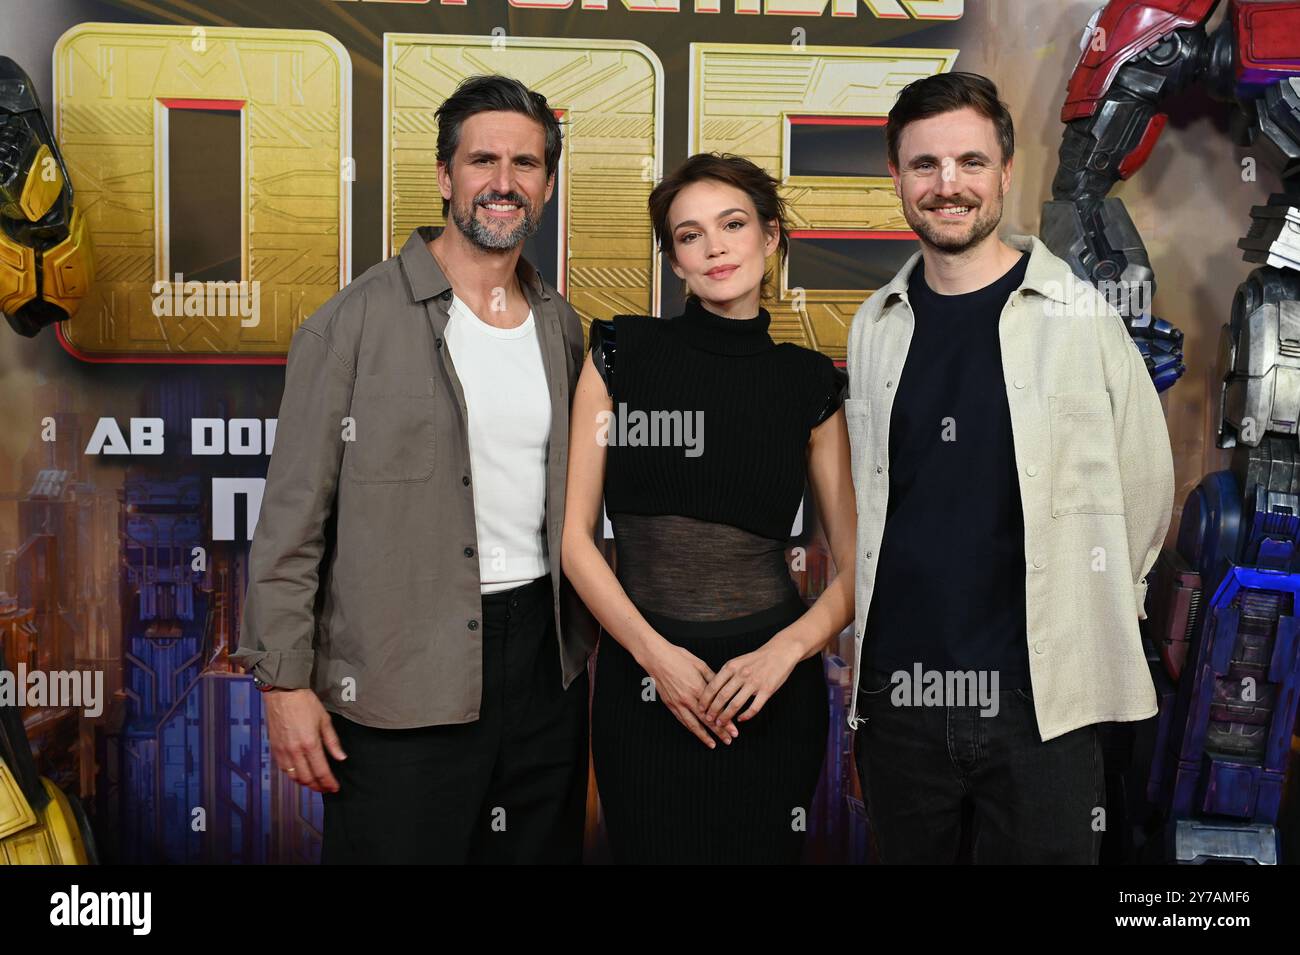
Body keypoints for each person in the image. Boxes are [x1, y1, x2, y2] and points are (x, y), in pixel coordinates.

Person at [232, 74, 597, 864]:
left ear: (547, 183)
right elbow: (292, 519)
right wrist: (284, 686)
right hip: (399, 681)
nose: (504, 183)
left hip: (543, 673)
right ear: (445, 177)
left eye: (526, 164)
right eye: (483, 161)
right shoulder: (350, 324)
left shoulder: (561, 326)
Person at [844, 72, 1175, 863]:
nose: (947, 185)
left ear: (1004, 170)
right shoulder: (873, 325)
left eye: (970, 161)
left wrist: (1092, 610)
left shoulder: (1082, 317)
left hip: (1044, 704)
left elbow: (1145, 484)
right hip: (903, 702)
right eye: (924, 165)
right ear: (896, 176)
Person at [562, 152, 856, 864]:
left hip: (769, 692)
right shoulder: (618, 352)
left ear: (771, 237)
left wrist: (781, 656)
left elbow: (858, 569)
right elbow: (574, 538)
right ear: (675, 260)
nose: (716, 246)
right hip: (643, 678)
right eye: (691, 235)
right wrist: (655, 658)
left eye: (733, 224)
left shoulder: (809, 381)